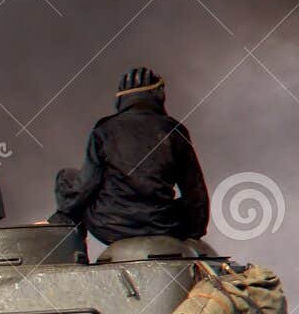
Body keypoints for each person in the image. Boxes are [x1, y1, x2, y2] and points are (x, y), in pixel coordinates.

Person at [50, 67, 210, 245]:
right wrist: (193, 234)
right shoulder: (175, 131)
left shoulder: (104, 130)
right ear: (158, 95)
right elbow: (196, 195)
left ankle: (70, 248)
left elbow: (84, 187)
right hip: (162, 226)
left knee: (67, 177)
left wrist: (61, 215)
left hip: (110, 227)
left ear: (121, 99)